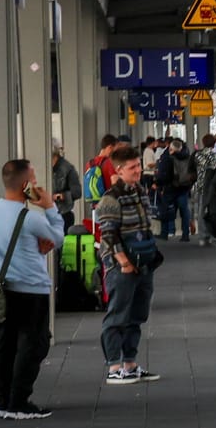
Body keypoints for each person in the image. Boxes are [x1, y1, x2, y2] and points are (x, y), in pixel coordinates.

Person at [0, 159, 65, 419]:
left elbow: (15, 241)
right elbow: (58, 238)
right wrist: (50, 207)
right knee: (34, 344)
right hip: (32, 289)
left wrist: (35, 243)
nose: (36, 183)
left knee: (6, 342)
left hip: (3, 287)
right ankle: (20, 401)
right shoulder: (30, 217)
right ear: (24, 185)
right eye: (32, 178)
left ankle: (3, 399)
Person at [94, 147, 161, 385]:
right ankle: (114, 366)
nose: (138, 170)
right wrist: (123, 262)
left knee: (137, 315)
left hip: (143, 263)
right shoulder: (110, 199)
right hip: (121, 266)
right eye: (133, 167)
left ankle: (130, 364)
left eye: (139, 165)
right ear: (119, 170)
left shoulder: (140, 191)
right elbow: (109, 235)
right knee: (118, 314)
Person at [155, 137, 197, 240]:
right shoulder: (188, 156)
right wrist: (190, 184)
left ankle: (165, 233)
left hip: (170, 188)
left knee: (167, 210)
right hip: (184, 188)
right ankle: (185, 235)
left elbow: (163, 175)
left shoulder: (168, 157)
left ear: (171, 148)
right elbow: (194, 172)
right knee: (184, 211)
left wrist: (158, 184)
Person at [193, 133, 216, 245]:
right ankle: (211, 236)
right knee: (211, 211)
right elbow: (214, 167)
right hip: (210, 185)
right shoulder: (212, 154)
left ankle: (202, 237)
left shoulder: (197, 154)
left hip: (200, 184)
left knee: (201, 210)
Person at [49, 141, 81, 230]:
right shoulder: (44, 168)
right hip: (47, 214)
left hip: (63, 214)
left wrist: (58, 196)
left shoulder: (68, 168)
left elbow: (77, 192)